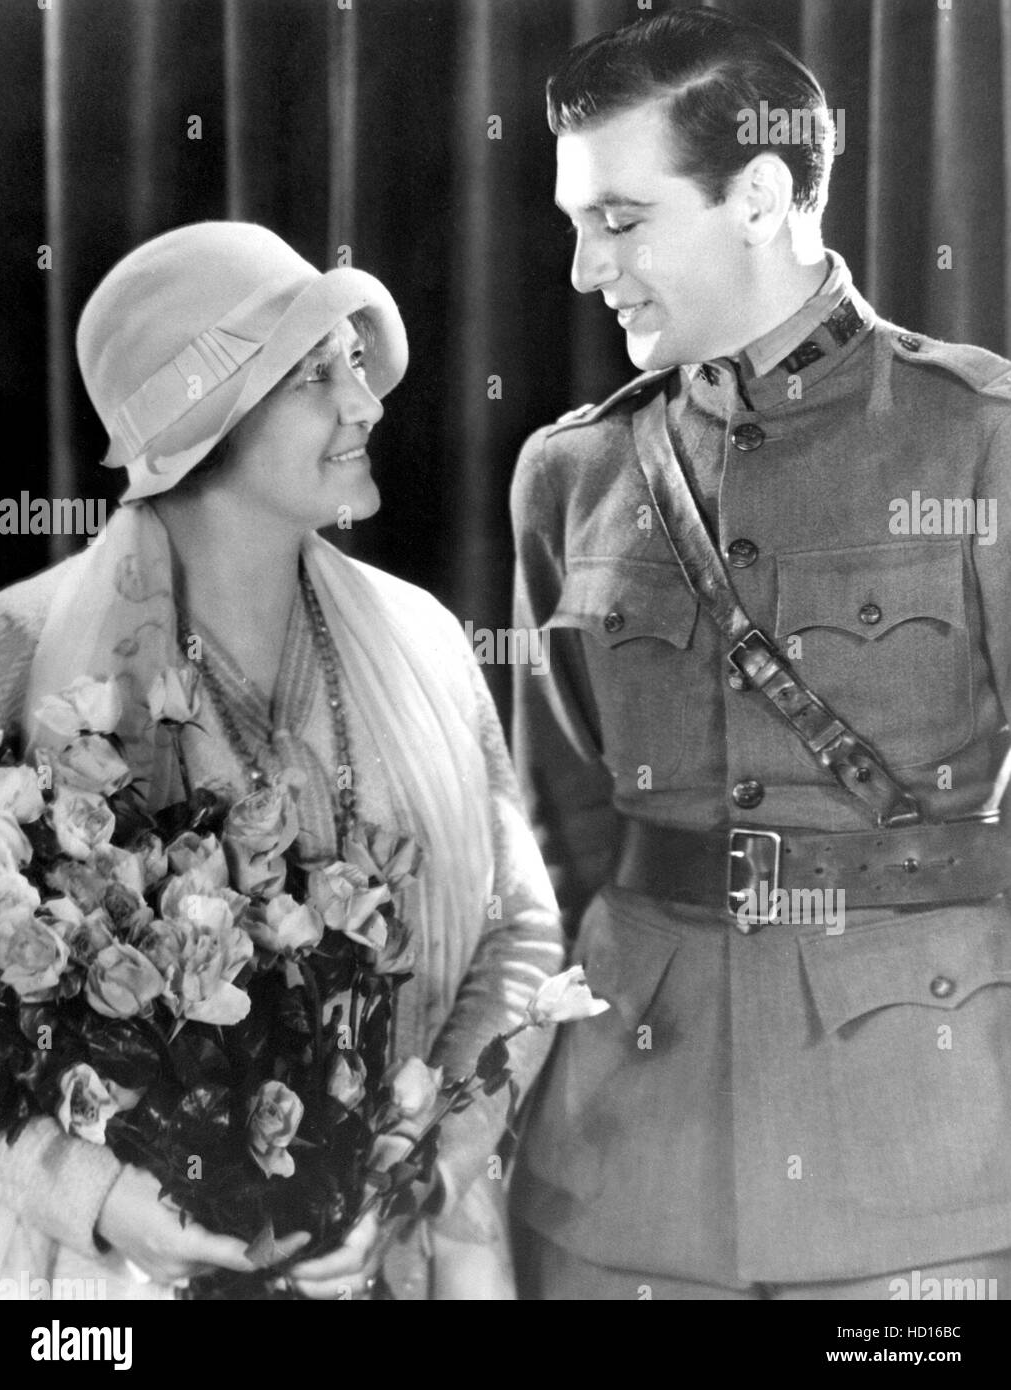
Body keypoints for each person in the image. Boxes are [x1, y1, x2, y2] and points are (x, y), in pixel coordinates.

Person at [510, 7, 1011, 1300]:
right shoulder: (571, 470)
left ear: (761, 192)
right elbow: (555, 826)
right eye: (574, 222)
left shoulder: (977, 440)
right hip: (624, 1158)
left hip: (921, 1155)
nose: (579, 269)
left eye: (618, 222)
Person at [0, 220, 563, 1300]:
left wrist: (425, 1161)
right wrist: (104, 1202)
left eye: (352, 364)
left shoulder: (427, 637)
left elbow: (520, 928)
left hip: (395, 1261)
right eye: (313, 376)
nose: (364, 402)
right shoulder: (11, 653)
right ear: (206, 423)